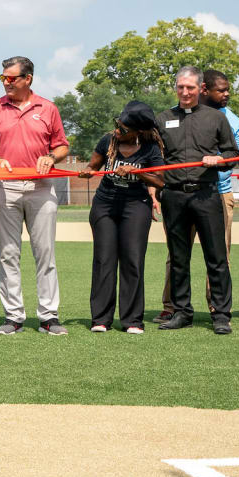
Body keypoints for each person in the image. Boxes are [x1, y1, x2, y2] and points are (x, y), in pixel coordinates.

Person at [0, 56, 70, 335]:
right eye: (3, 78)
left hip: (41, 188)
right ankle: (13, 317)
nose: (6, 82)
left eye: (11, 78)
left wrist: (51, 157)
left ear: (28, 79)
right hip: (4, 188)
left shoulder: (48, 108)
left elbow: (62, 146)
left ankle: (48, 317)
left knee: (45, 254)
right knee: (8, 255)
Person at [158, 69, 239, 322]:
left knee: (216, 257)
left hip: (207, 195)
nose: (185, 92)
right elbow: (154, 157)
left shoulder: (216, 118)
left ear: (200, 88)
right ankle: (181, 312)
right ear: (175, 87)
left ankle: (221, 314)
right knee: (178, 259)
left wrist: (220, 159)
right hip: (174, 197)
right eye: (181, 87)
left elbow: (232, 154)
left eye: (190, 87)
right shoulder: (163, 119)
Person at [77, 101, 164, 334]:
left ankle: (132, 320)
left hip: (136, 205)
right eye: (118, 124)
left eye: (123, 129)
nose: (117, 130)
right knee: (104, 260)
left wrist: (138, 172)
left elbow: (160, 181)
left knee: (132, 260)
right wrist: (88, 172)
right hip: (105, 204)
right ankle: (100, 319)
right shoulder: (108, 141)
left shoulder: (151, 148)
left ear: (138, 132)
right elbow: (94, 166)